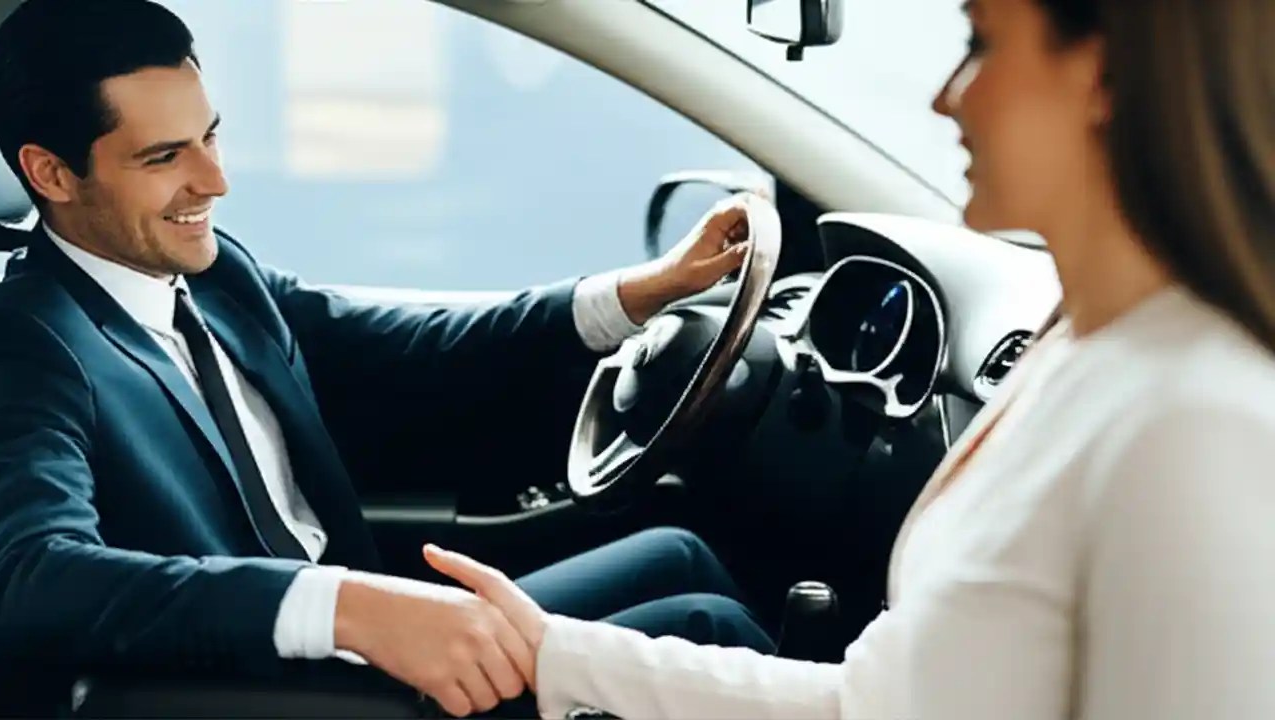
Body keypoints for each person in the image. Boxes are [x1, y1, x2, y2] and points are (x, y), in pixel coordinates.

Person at [425, 0, 1275, 717]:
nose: (948, 100)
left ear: (1103, 76)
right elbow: (869, 703)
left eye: (981, 44)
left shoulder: (1190, 421)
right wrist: (552, 653)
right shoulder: (1086, 353)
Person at [0, 0, 775, 714]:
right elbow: (34, 576)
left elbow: (407, 346)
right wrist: (350, 608)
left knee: (679, 555)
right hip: (271, 688)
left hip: (363, 645)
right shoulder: (28, 343)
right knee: (702, 628)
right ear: (51, 173)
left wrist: (646, 291)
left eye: (211, 136)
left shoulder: (215, 272)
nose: (216, 180)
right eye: (165, 157)